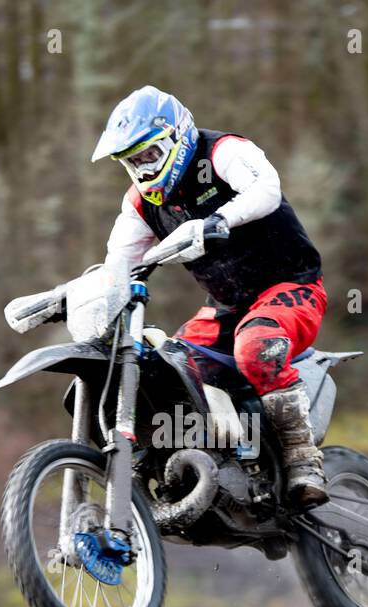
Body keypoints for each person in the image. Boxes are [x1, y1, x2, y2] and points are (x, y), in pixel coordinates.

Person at [92, 85, 328, 508]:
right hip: (228, 310)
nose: (142, 168)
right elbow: (116, 267)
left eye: (148, 154)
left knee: (256, 346)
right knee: (167, 367)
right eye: (132, 161)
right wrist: (65, 299)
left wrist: (219, 219)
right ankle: (222, 460)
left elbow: (266, 189)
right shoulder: (142, 205)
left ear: (175, 137)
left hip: (292, 287)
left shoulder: (222, 152)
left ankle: (301, 458)